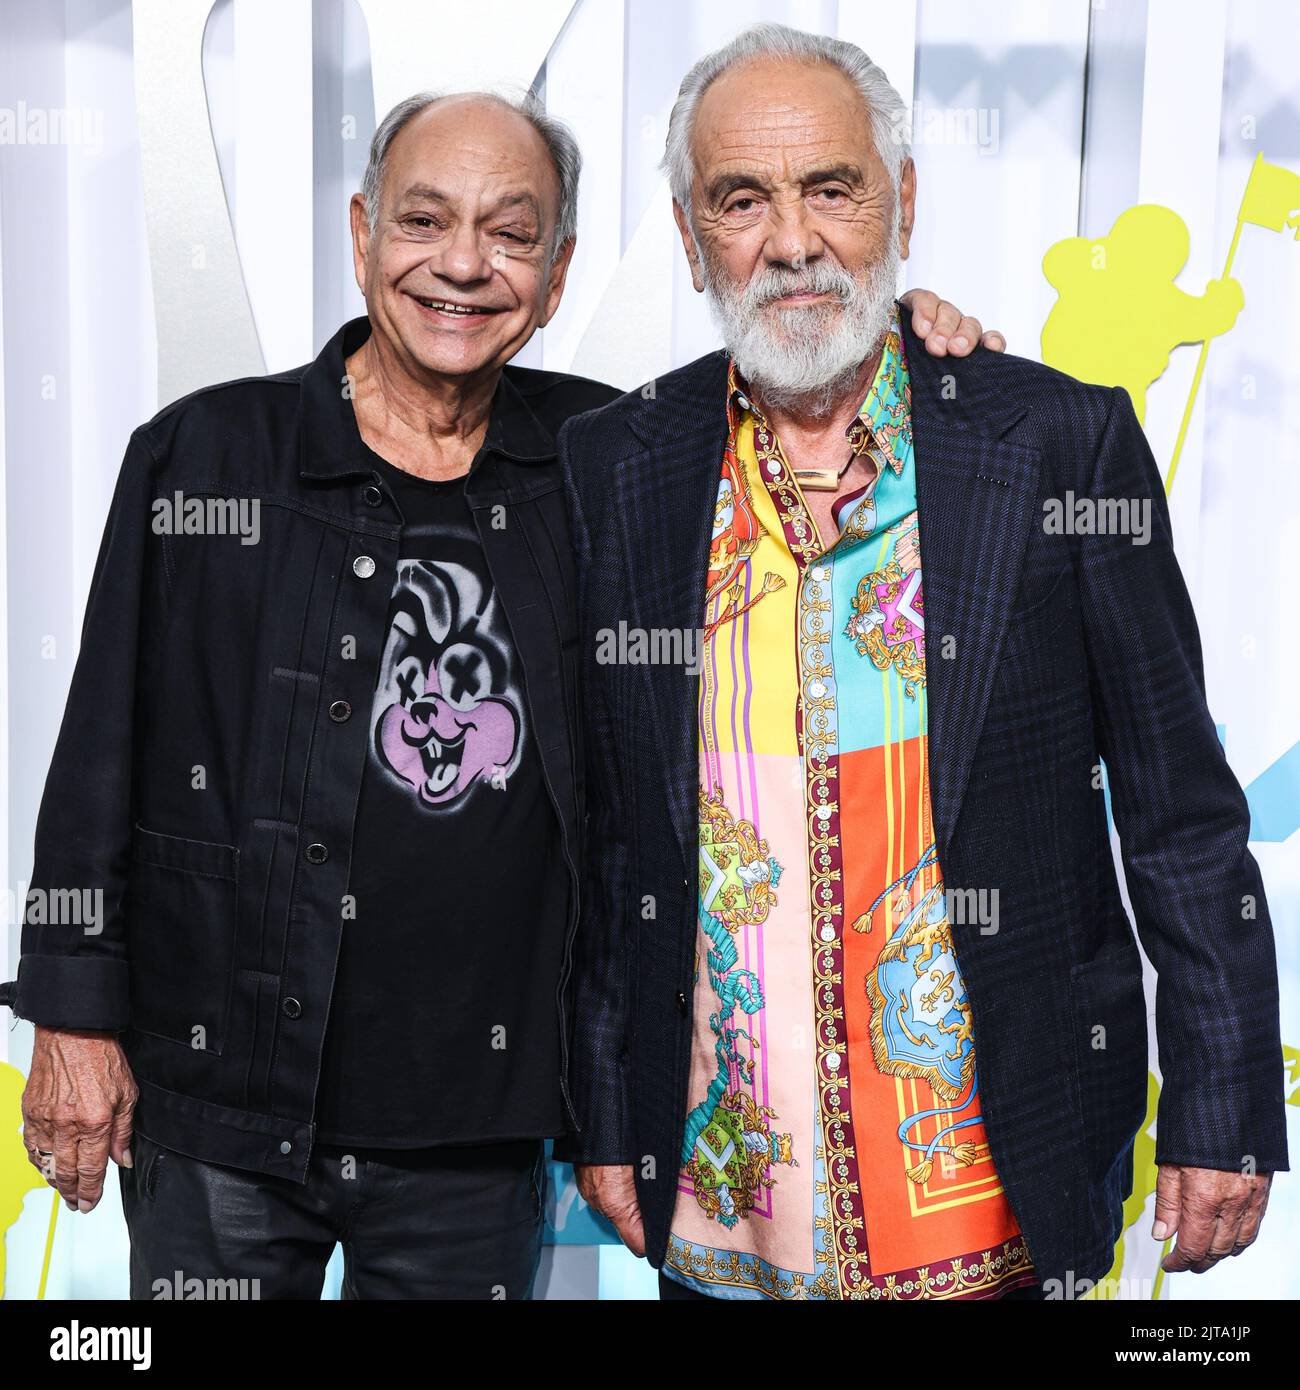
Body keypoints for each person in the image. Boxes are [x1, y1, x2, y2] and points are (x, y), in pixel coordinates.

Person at [3, 82, 995, 1300]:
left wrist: (922, 340)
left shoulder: (610, 458)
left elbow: (808, 388)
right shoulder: (202, 455)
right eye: (424, 223)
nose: (462, 266)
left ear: (560, 269)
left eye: (511, 233)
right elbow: (94, 754)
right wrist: (70, 1017)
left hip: (479, 1127)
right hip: (222, 1105)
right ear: (363, 230)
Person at [558, 22, 1287, 1301]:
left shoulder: (1054, 443)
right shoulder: (618, 465)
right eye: (740, 199)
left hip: (1004, 1199)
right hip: (724, 1216)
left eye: (830, 188)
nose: (791, 240)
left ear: (902, 202)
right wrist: (602, 1102)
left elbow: (1179, 808)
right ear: (687, 238)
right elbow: (615, 842)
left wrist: (1224, 1100)